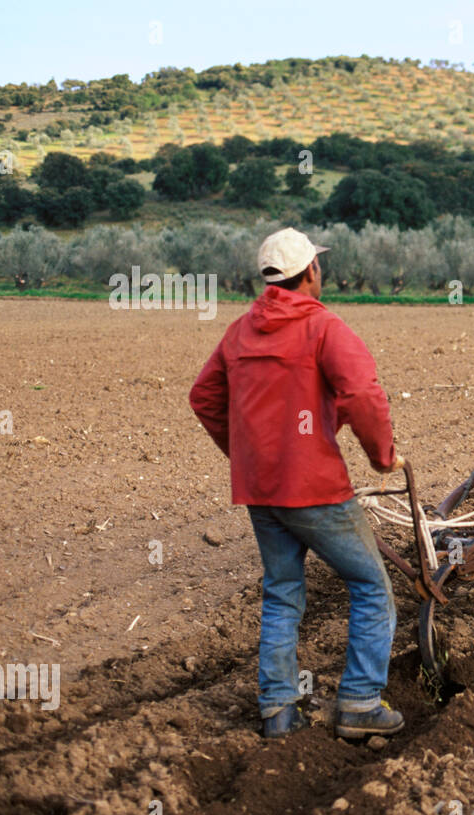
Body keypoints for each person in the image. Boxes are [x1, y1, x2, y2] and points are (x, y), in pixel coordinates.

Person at [189, 227, 406, 740]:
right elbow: (363, 394)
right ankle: (359, 701)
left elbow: (205, 398)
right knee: (372, 586)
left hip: (260, 491)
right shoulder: (323, 327)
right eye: (318, 265)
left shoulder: (240, 331)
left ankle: (279, 712)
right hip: (315, 491)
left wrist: (247, 453)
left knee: (283, 593)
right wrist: (383, 457)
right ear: (310, 272)